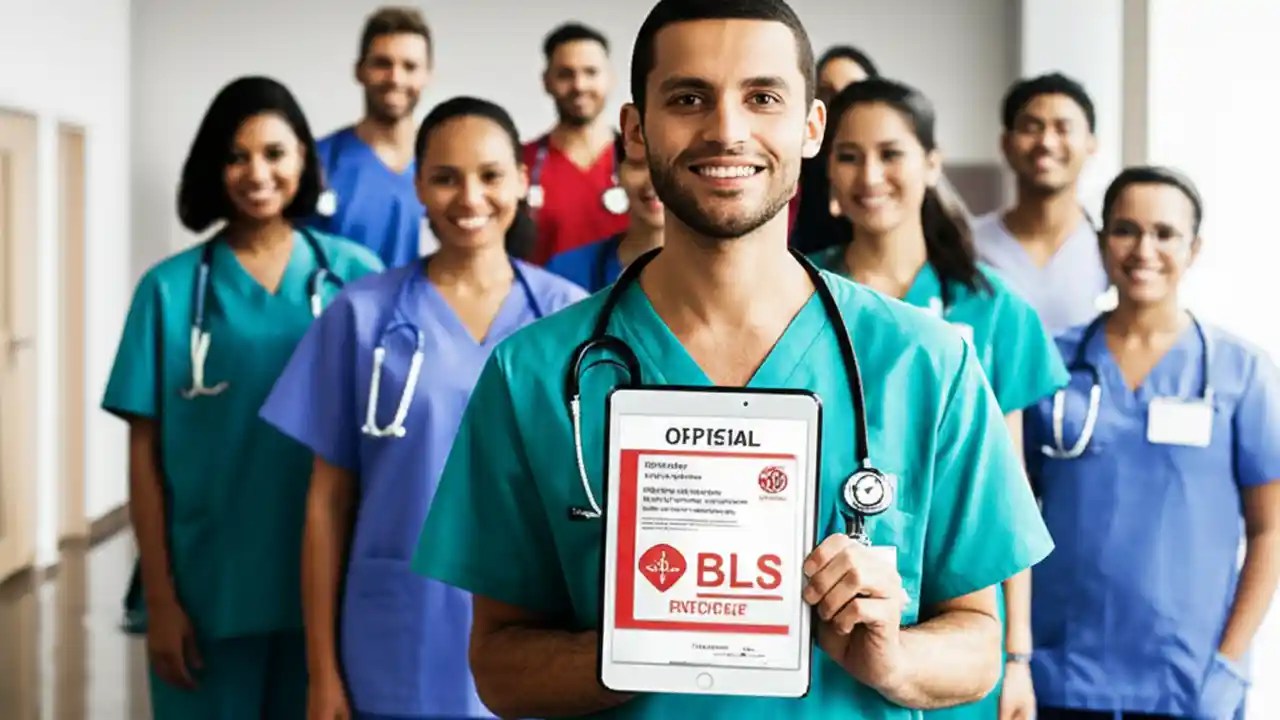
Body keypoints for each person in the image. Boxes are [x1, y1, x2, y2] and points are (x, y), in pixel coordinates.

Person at [412, 1, 1053, 718]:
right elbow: (499, 667)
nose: (726, 130)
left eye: (763, 98)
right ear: (636, 129)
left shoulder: (925, 364)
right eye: (688, 99)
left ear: (811, 126)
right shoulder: (533, 374)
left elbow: (978, 642)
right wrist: (637, 646)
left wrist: (895, 658)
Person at [259, 96, 586, 720]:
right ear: (418, 187)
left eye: (490, 175)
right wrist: (322, 672)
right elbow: (327, 503)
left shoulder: (569, 318)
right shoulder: (362, 315)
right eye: (445, 178)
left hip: (535, 636)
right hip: (398, 634)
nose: (469, 197)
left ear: (522, 180)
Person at [101, 76, 383, 719]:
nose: (257, 173)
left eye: (274, 153)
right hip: (208, 591)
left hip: (332, 591)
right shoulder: (169, 291)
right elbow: (144, 458)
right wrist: (162, 600)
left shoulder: (356, 278)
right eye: (236, 156)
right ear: (213, 167)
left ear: (304, 158)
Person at [809, 77, 1070, 720]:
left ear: (931, 163)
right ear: (826, 169)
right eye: (849, 156)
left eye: (891, 153)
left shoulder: (993, 309)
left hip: (958, 628)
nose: (870, 175)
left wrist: (1015, 658)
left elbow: (1006, 496)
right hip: (824, 616)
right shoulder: (794, 295)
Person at [1023, 167, 1280, 720]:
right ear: (1101, 241)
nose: (1144, 250)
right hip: (1064, 675)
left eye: (1165, 233)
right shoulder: (1051, 364)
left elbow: (1271, 530)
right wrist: (1016, 655)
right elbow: (1012, 516)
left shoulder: (1241, 372)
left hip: (1187, 682)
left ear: (1194, 249)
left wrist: (1228, 663)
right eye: (1125, 230)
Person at [972, 73, 1110, 334]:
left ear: (1091, 144)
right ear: (1006, 144)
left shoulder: (1108, 249)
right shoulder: (968, 246)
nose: (1046, 142)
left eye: (1063, 129)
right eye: (1031, 128)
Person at [308, 6, 433, 269]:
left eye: (410, 66)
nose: (395, 78)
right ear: (359, 70)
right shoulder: (317, 162)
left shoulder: (448, 165)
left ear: (427, 75)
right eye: (382, 64)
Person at [524, 22, 630, 264]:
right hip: (546, 290)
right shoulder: (521, 164)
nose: (579, 85)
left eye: (591, 72)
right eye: (565, 74)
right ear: (546, 81)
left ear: (610, 78)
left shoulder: (641, 162)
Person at [544, 135, 664, 292]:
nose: (654, 181)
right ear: (617, 173)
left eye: (669, 166)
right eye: (639, 165)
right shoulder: (566, 275)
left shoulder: (699, 274)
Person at [790, 44, 879, 255]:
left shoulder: (895, 167)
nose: (839, 104)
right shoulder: (794, 170)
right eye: (827, 92)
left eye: (853, 92)